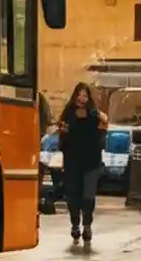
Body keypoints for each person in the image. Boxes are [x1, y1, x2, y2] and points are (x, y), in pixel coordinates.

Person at [58, 81, 109, 243]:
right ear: (75, 96)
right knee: (72, 196)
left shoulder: (94, 114)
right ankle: (75, 225)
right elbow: (61, 131)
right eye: (79, 94)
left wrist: (98, 115)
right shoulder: (68, 112)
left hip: (91, 162)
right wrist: (64, 129)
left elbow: (105, 124)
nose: (82, 98)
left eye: (85, 95)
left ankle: (87, 225)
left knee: (88, 196)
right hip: (72, 161)